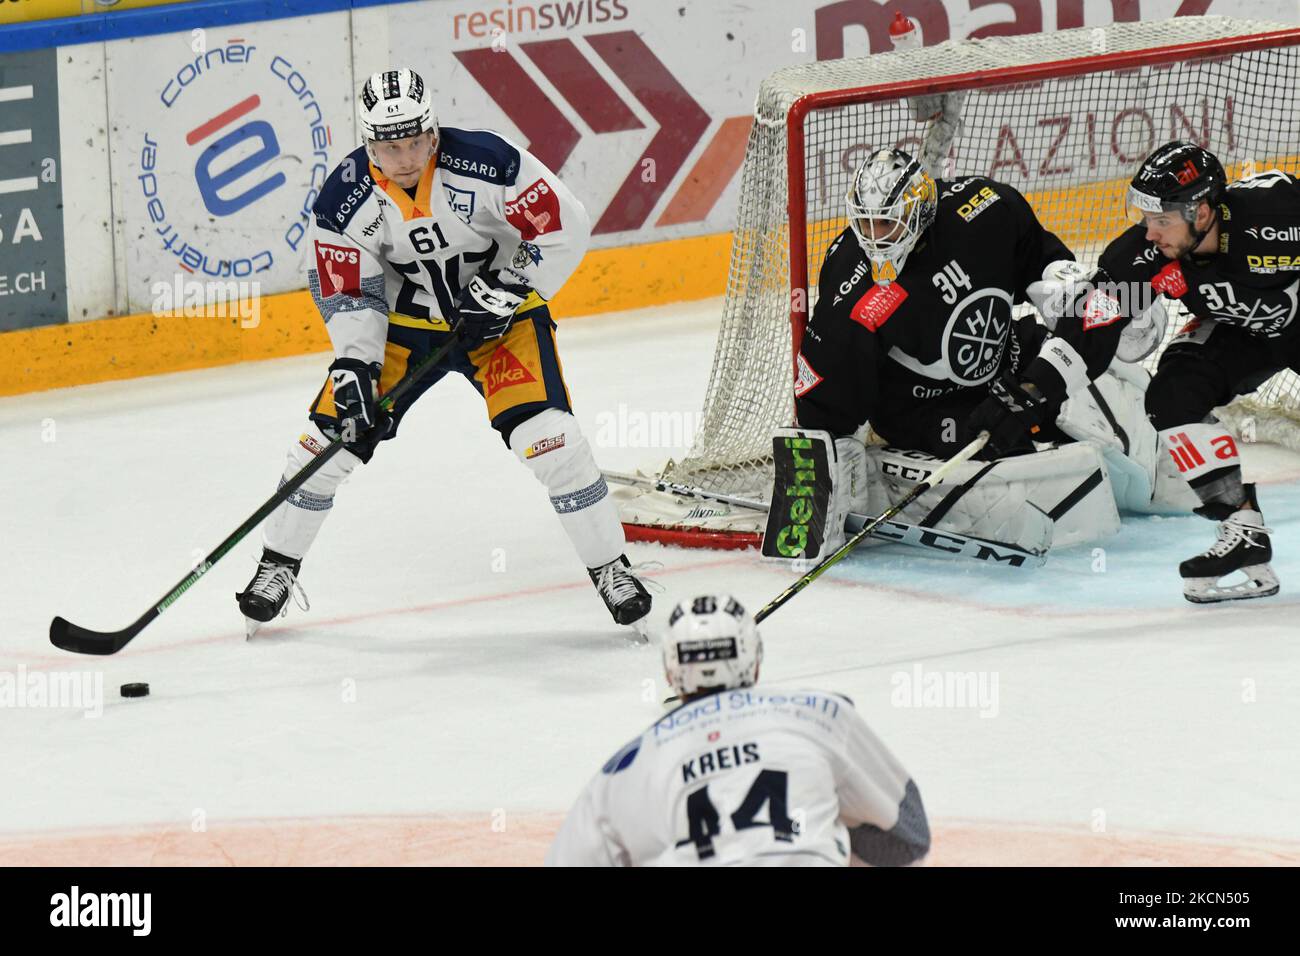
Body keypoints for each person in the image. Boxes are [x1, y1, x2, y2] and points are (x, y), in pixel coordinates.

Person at [235, 68, 652, 634]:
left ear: (432, 133)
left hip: (501, 319)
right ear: (368, 143)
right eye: (387, 145)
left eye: (412, 142)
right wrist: (356, 363)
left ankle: (612, 569)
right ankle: (277, 567)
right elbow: (347, 286)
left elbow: (563, 226)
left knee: (552, 441)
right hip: (403, 329)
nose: (403, 157)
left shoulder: (490, 162)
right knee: (324, 444)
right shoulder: (342, 200)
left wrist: (505, 290)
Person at [770, 147, 1165, 564]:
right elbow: (827, 387)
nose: (874, 236)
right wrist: (828, 478)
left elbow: (1040, 264)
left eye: (886, 222)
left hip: (1006, 357)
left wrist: (1082, 296)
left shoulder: (984, 208)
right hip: (925, 408)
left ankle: (1140, 459)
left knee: (1107, 380)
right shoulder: (853, 277)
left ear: (920, 211)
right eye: (865, 222)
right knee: (1027, 466)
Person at [990, 142, 1294, 602]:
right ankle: (1243, 528)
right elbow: (1095, 326)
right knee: (1173, 394)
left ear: (1205, 210)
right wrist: (1040, 385)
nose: (1150, 233)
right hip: (1241, 332)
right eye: (1146, 218)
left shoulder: (1277, 215)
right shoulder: (1146, 259)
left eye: (1163, 220)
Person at [546, 594, 930, 866]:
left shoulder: (626, 769)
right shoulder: (821, 715)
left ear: (670, 672)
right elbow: (909, 837)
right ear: (755, 661)